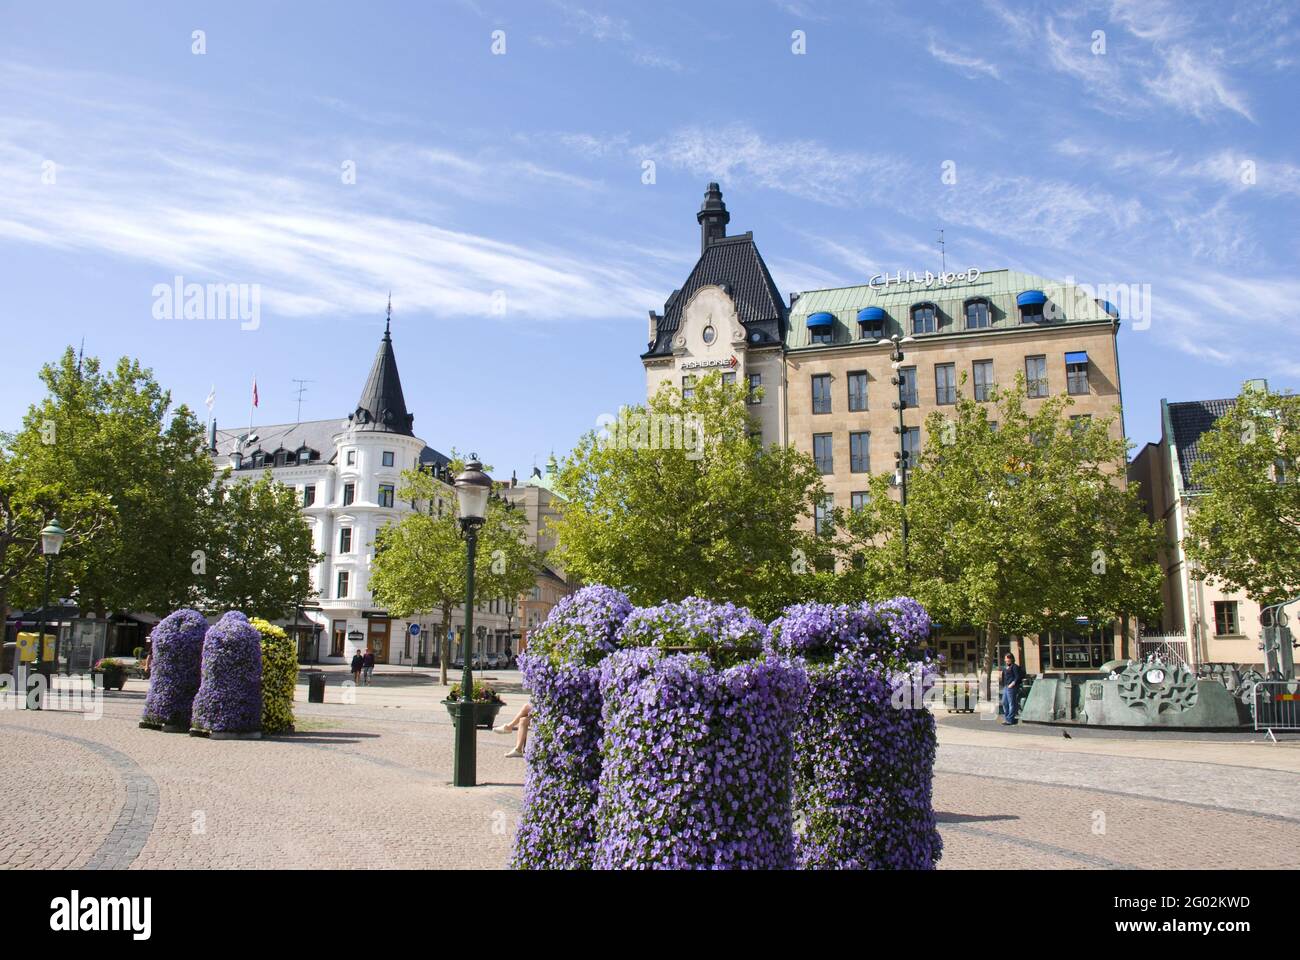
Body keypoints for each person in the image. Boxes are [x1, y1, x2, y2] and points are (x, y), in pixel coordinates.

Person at [1000, 653, 1023, 725]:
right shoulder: (1005, 667)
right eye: (1005, 658)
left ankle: (1010, 719)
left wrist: (1012, 684)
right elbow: (1003, 677)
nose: (1006, 660)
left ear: (1011, 659)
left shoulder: (1014, 667)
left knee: (1011, 703)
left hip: (1011, 687)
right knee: (1004, 702)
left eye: (1007, 658)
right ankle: (1007, 718)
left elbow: (1017, 677)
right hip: (1006, 687)